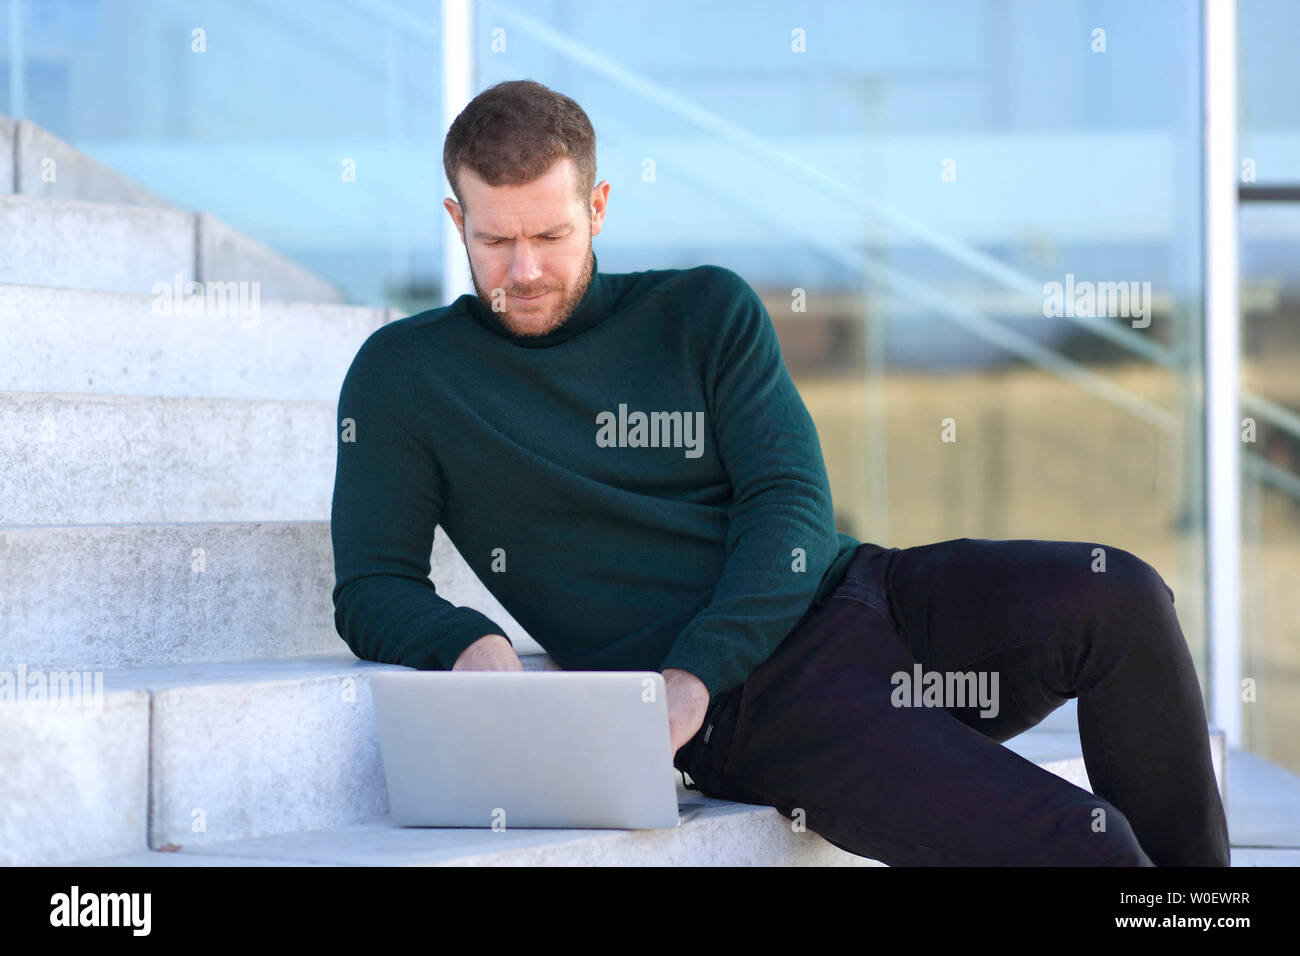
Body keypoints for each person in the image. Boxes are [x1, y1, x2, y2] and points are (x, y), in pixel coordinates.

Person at [330, 79, 1230, 866]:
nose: (523, 271)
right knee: (1087, 845)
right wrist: (461, 640)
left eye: (552, 234)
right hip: (759, 713)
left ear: (599, 207)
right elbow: (371, 582)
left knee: (1123, 597)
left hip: (863, 594)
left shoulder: (702, 310)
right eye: (495, 241)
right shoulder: (409, 375)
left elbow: (791, 503)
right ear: (456, 218)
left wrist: (691, 669)